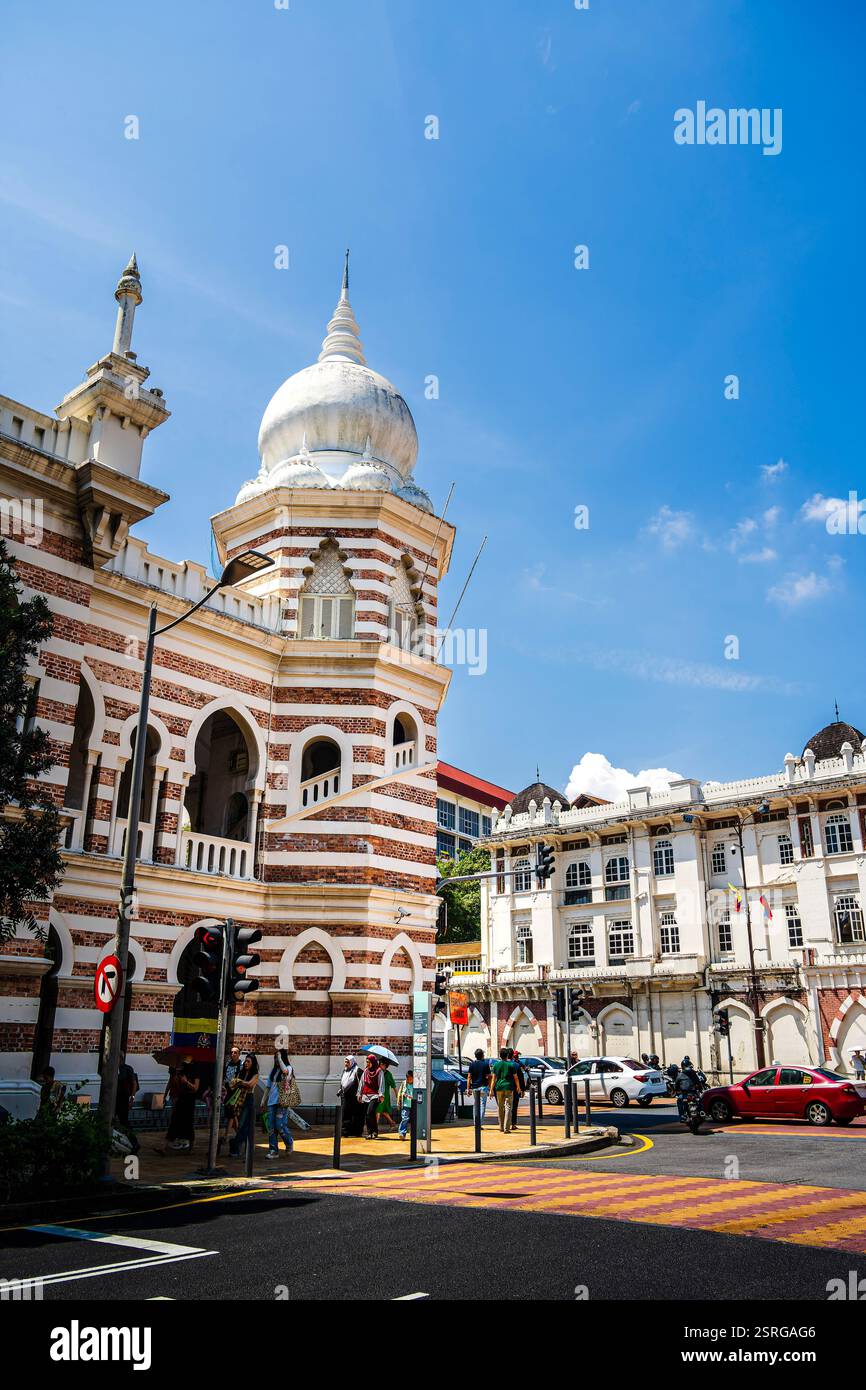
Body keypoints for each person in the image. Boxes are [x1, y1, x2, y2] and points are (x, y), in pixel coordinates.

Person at [265, 1049, 295, 1158]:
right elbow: (268, 1087)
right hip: (271, 1102)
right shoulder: (273, 1072)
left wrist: (280, 1058)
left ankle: (289, 1141)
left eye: (278, 1058)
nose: (276, 1060)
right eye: (275, 1058)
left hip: (282, 1102)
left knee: (279, 1125)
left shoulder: (288, 1068)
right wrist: (263, 1100)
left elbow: (285, 1071)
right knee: (271, 1127)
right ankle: (273, 1151)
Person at [165, 1056, 199, 1151]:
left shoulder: (195, 1073)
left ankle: (190, 1147)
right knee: (175, 1120)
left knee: (188, 1123)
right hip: (181, 1098)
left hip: (190, 1100)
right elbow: (176, 1085)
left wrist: (186, 1082)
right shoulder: (181, 1072)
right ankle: (166, 1146)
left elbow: (195, 1088)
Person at [229, 1052, 259, 1158]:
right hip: (238, 1099)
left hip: (248, 1099)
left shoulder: (255, 1074)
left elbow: (250, 1084)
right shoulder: (241, 1072)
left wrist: (240, 1082)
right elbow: (232, 1083)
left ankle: (236, 1145)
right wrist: (241, 1082)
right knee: (239, 1124)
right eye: (245, 1061)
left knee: (244, 1125)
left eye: (248, 1061)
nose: (246, 1063)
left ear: (252, 1063)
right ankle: (243, 1145)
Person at [489, 1047, 521, 1133]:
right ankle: (506, 1128)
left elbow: (493, 1079)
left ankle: (501, 1127)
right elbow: (516, 1078)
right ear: (507, 1056)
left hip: (499, 1087)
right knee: (508, 1107)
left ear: (500, 1056)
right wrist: (518, 1087)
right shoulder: (511, 1065)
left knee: (500, 1107)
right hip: (509, 1088)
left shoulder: (496, 1065)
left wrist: (491, 1090)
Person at [359, 1053, 385, 1138]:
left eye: (369, 1062)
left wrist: (381, 1094)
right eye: (367, 1062)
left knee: (370, 1112)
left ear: (373, 1062)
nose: (367, 1064)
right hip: (366, 1095)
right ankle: (370, 1132)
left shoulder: (379, 1071)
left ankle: (374, 1131)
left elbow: (381, 1083)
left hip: (375, 1095)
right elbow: (361, 1083)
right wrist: (359, 1094)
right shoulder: (366, 1071)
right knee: (368, 1114)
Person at [338, 1055, 365, 1137]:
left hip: (355, 1097)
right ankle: (345, 1131)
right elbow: (343, 1082)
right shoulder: (345, 1071)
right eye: (345, 1062)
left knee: (356, 1115)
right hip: (345, 1096)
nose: (346, 1063)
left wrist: (360, 1095)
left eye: (348, 1062)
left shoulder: (358, 1071)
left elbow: (362, 1083)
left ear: (352, 1062)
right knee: (345, 1114)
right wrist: (341, 1089)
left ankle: (356, 1132)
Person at [466, 1049, 491, 1120]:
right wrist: (489, 1087)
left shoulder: (472, 1064)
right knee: (482, 1105)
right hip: (483, 1087)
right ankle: (479, 1123)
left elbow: (469, 1077)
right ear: (482, 1055)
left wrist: (468, 1088)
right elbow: (489, 1076)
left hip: (474, 1087)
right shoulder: (486, 1064)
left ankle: (475, 1122)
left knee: (476, 1105)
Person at [116, 1052, 139, 1126]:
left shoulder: (127, 1069)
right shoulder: (112, 1069)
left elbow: (134, 1084)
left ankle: (130, 1137)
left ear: (121, 1058)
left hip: (123, 1097)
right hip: (113, 1097)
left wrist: (132, 1098)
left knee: (124, 1121)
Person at [511, 1049, 528, 1129]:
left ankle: (504, 1124)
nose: (516, 1057)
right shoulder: (517, 1065)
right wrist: (522, 1089)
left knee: (506, 1107)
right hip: (515, 1088)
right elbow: (520, 1078)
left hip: (506, 1088)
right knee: (514, 1107)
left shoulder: (501, 1063)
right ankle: (513, 1124)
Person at [377, 1063, 398, 1131]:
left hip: (384, 1096)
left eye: (382, 1064)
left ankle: (374, 1128)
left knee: (378, 1111)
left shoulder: (388, 1074)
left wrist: (397, 1096)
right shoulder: (377, 1072)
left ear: (386, 1066)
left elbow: (393, 1086)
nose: (380, 1065)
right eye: (380, 1064)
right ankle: (392, 1123)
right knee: (383, 1111)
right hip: (377, 1095)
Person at [397, 1070, 414, 1138]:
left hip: (414, 1105)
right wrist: (399, 1101)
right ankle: (402, 1133)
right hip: (405, 1105)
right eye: (407, 1078)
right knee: (405, 1119)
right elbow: (399, 1093)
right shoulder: (404, 1083)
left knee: (414, 1120)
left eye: (410, 1078)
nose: (408, 1080)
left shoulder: (416, 1084)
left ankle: (413, 1133)